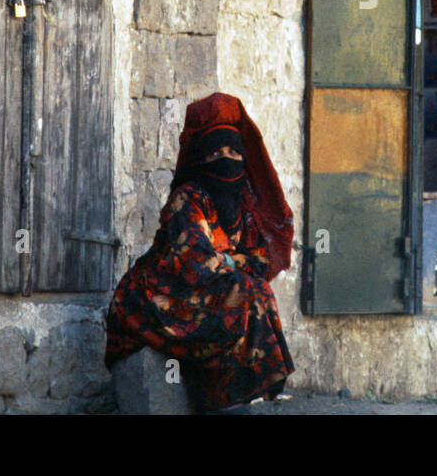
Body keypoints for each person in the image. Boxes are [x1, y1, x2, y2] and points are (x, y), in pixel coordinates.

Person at [103, 92, 295, 412]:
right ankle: (227, 397)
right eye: (215, 152)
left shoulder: (244, 207)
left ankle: (240, 394)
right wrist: (235, 263)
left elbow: (262, 261)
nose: (226, 159)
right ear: (201, 160)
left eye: (234, 151)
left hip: (200, 296)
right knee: (245, 289)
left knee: (254, 289)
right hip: (153, 299)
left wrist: (229, 261)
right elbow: (196, 266)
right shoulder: (187, 198)